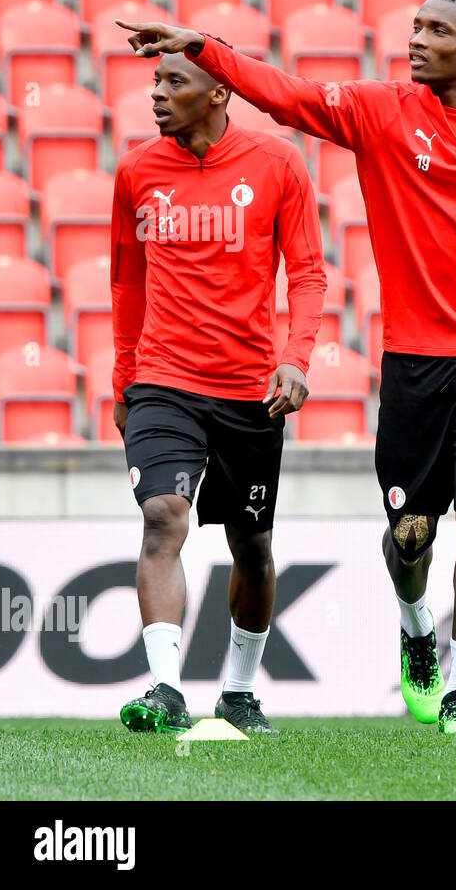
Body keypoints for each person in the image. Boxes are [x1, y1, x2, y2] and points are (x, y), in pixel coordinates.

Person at [117, 0, 456, 735]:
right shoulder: (380, 112)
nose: (415, 40)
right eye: (415, 26)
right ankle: (415, 625)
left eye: (435, 30)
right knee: (412, 534)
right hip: (412, 363)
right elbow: (286, 96)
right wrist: (198, 44)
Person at [113, 47, 327, 734]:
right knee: (163, 518)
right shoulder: (138, 171)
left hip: (248, 390)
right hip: (164, 380)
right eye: (155, 80)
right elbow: (127, 283)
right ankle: (166, 688)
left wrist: (296, 358)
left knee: (252, 546)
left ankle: (238, 692)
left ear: (219, 93)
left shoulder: (277, 163)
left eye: (175, 80)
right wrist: (124, 377)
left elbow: (310, 273)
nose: (157, 92)